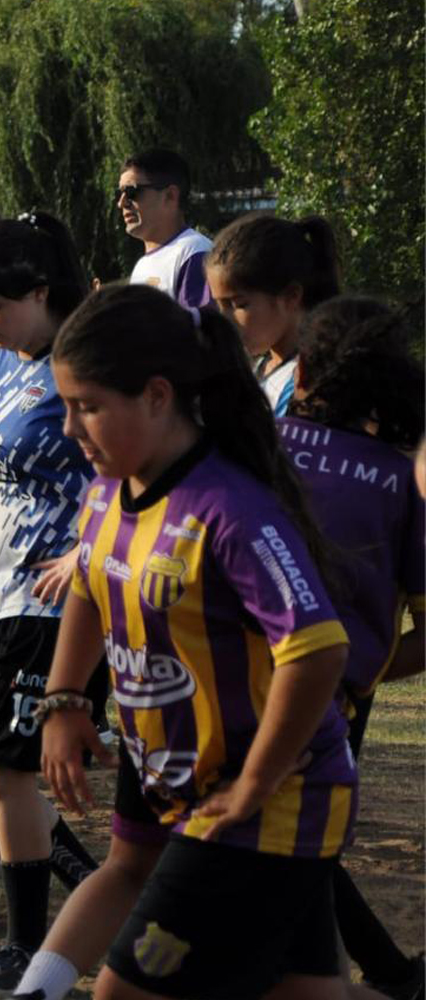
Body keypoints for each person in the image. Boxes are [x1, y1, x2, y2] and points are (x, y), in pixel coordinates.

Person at [31, 283, 354, 1000]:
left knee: (125, 990)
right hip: (166, 766)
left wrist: (255, 783)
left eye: (86, 407)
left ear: (155, 395)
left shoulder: (231, 510)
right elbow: (88, 580)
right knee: (304, 992)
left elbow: (318, 647)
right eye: (64, 407)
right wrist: (62, 699)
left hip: (263, 804)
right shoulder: (109, 491)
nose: (69, 429)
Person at [0, 214, 102, 993]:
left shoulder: (87, 361)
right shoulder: (7, 357)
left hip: (53, 604)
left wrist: (86, 553)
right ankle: (102, 889)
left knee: (7, 774)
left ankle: (31, 951)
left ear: (41, 292)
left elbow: (134, 472)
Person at [278, 296, 425, 1000]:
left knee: (278, 852)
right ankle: (392, 975)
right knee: (300, 847)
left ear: (303, 369)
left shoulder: (254, 443)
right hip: (335, 700)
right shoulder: (403, 480)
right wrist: (360, 675)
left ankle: (380, 977)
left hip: (230, 680)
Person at [205, 212, 340, 415]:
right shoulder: (258, 367)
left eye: (239, 304)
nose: (225, 319)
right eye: (218, 305)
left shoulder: (321, 381)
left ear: (291, 296)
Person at [117, 149, 211, 310]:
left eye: (132, 192)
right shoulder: (142, 264)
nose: (121, 203)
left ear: (170, 196)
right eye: (118, 193)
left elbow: (202, 330)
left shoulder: (194, 253)